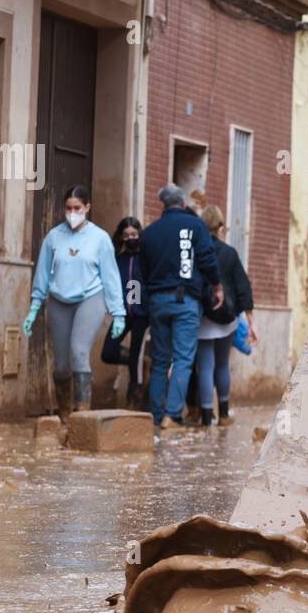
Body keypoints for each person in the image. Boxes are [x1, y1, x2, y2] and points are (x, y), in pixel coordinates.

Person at [25, 185, 124, 418]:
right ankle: (64, 416)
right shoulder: (53, 237)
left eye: (77, 207)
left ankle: (83, 415)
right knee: (61, 365)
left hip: (91, 297)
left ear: (87, 207)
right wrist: (34, 308)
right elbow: (42, 274)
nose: (72, 212)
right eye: (68, 208)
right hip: (59, 299)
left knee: (79, 352)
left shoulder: (100, 239)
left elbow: (111, 277)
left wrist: (118, 312)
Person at [141, 184, 221, 430]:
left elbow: (143, 270)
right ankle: (172, 415)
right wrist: (217, 285)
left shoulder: (150, 232)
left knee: (160, 360)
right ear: (183, 204)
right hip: (185, 299)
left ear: (162, 205)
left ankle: (155, 416)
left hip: (157, 301)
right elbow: (207, 259)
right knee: (184, 359)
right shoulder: (195, 226)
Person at [195, 205, 257, 427]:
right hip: (227, 319)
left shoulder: (196, 251)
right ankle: (223, 414)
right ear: (221, 227)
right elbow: (243, 286)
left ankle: (204, 416)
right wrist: (250, 321)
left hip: (202, 317)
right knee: (222, 365)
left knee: (205, 366)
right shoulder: (229, 253)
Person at [100, 217, 149, 410]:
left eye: (134, 235)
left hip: (142, 315)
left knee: (135, 357)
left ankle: (133, 401)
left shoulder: (145, 259)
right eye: (127, 235)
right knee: (108, 352)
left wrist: (143, 308)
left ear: (140, 235)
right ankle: (140, 361)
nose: (130, 238)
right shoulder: (118, 260)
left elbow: (140, 288)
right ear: (121, 237)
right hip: (123, 315)